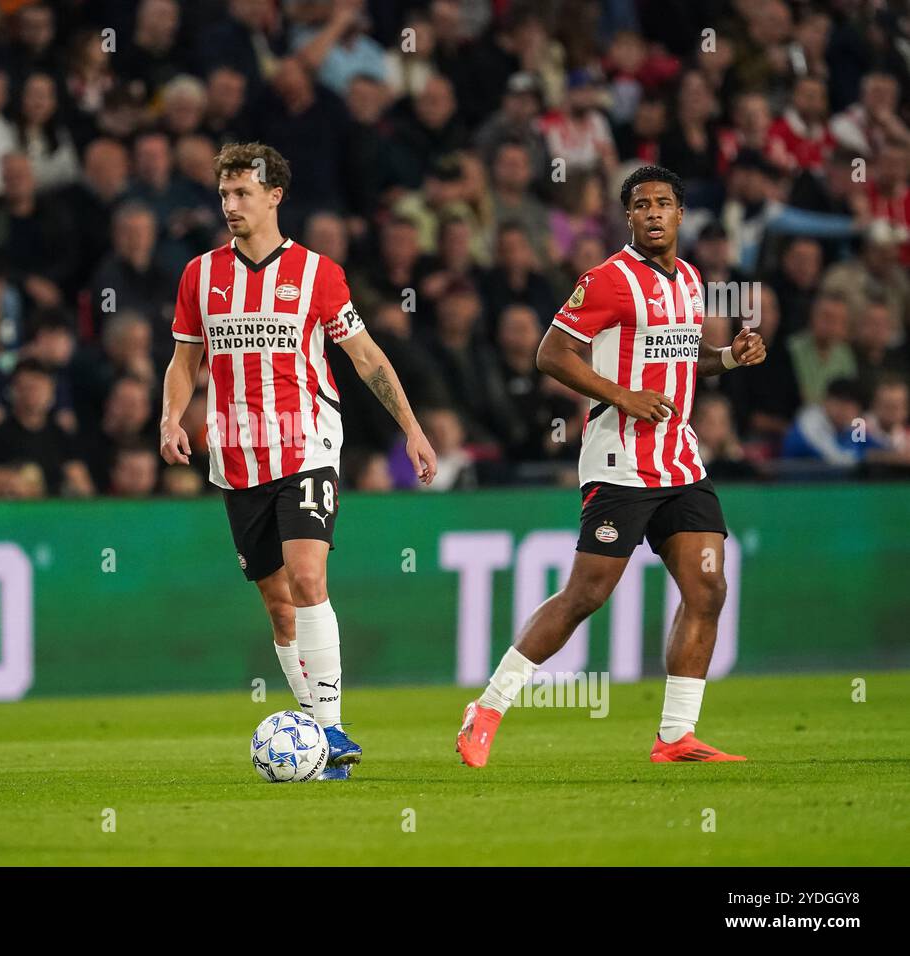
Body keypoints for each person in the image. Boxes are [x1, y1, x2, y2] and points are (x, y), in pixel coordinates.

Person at [455, 165, 767, 768]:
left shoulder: (689, 280)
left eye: (664, 203)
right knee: (586, 594)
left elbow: (673, 358)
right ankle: (488, 705)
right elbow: (551, 353)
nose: (653, 213)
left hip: (680, 461)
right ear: (628, 216)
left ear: (680, 214)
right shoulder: (607, 280)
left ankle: (676, 735)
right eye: (642, 204)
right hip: (620, 460)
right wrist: (620, 395)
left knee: (708, 587)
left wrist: (726, 358)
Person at [159, 142, 438, 780]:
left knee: (308, 577)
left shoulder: (319, 274)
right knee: (278, 603)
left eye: (242, 194)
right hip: (235, 455)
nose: (230, 206)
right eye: (224, 194)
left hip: (307, 444)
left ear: (274, 196)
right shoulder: (199, 276)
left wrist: (412, 430)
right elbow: (184, 360)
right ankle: (317, 732)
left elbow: (366, 357)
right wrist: (172, 417)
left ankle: (332, 726)